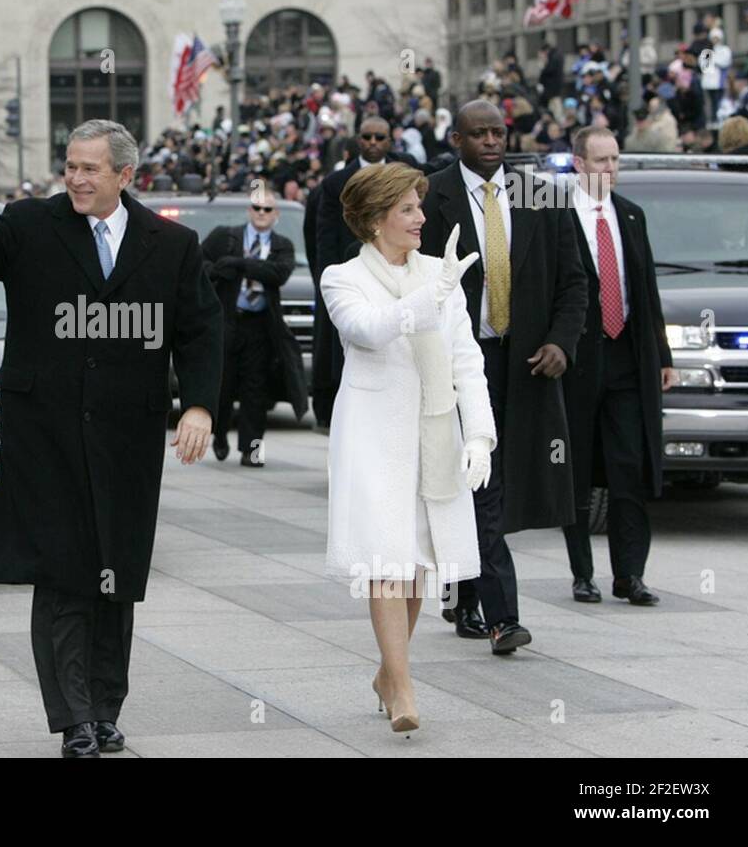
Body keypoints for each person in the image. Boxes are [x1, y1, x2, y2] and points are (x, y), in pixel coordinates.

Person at [0, 119, 223, 758]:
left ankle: (106, 707)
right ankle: (75, 718)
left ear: (124, 175)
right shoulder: (31, 225)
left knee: (115, 576)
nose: (77, 178)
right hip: (47, 432)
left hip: (127, 440)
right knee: (62, 576)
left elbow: (199, 330)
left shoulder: (171, 243)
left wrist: (197, 405)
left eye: (91, 168)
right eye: (70, 165)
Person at [321, 162, 495, 734]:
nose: (422, 217)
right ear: (375, 220)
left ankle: (387, 673)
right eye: (409, 209)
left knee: (419, 565)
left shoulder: (440, 275)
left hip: (433, 433)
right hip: (372, 436)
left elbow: (468, 361)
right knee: (384, 561)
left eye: (420, 206)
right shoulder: (341, 277)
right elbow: (367, 330)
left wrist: (480, 436)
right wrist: (427, 299)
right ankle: (404, 689)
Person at [420, 102, 587, 655]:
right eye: (479, 133)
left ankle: (467, 593)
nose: (491, 141)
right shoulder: (431, 196)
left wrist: (562, 341)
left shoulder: (544, 194)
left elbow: (573, 282)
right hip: (460, 360)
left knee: (508, 481)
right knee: (481, 479)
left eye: (498, 132)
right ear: (456, 138)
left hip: (526, 361)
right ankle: (502, 616)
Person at [562, 128, 675, 606]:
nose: (610, 169)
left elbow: (645, 290)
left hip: (627, 357)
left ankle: (630, 575)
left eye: (615, 160)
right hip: (579, 362)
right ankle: (582, 574)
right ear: (579, 165)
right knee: (578, 472)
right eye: (601, 161)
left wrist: (662, 355)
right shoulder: (558, 217)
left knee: (629, 467)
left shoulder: (631, 215)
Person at [306, 115, 418, 427]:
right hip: (357, 277)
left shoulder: (407, 171)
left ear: (390, 140)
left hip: (401, 275)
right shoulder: (335, 184)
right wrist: (330, 284)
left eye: (379, 138)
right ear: (358, 139)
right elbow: (324, 242)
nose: (372, 143)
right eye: (367, 137)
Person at [202, 187, 307, 466]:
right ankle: (219, 435)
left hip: (260, 326)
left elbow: (277, 273)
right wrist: (219, 271)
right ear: (250, 211)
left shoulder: (282, 244)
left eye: (267, 210)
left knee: (256, 392)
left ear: (276, 215)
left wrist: (239, 264)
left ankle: (252, 451)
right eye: (257, 208)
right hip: (228, 321)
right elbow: (200, 264)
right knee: (222, 386)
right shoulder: (226, 236)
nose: (262, 214)